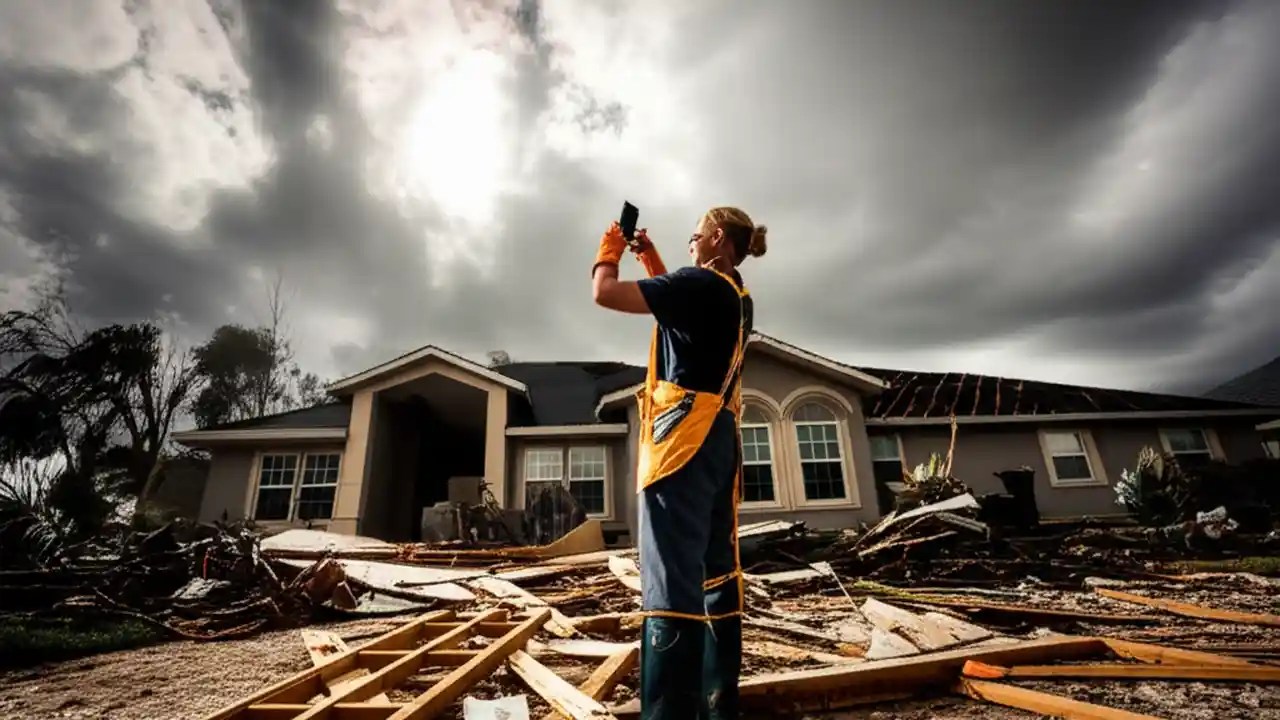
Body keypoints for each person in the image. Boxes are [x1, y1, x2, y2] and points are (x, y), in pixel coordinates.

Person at [590, 206, 769, 719]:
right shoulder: (735, 293)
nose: (690, 244)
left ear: (716, 237)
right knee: (715, 573)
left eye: (694, 237)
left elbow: (604, 293)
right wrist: (650, 258)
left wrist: (610, 249)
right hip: (718, 441)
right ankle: (717, 707)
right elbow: (679, 304)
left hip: (682, 443)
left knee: (670, 577)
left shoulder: (699, 284)